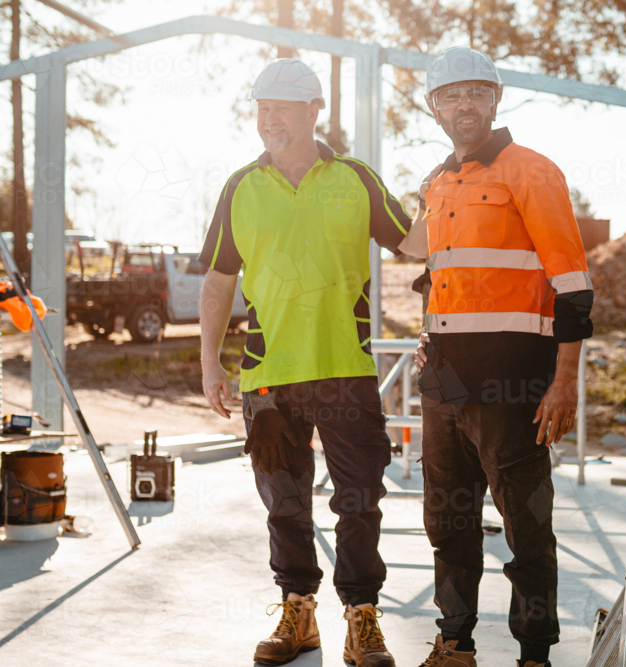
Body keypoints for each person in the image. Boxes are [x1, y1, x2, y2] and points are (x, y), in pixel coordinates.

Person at [199, 58, 423, 667]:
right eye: (261, 109)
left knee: (359, 496)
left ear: (313, 110)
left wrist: (452, 187)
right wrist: (210, 366)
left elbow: (418, 242)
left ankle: (361, 617)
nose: (269, 120)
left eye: (282, 108)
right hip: (267, 376)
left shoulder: (355, 178)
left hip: (345, 368)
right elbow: (219, 281)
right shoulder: (240, 186)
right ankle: (298, 613)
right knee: (285, 503)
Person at [410, 46, 594, 667]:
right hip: (444, 385)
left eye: (476, 93)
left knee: (526, 529)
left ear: (495, 100)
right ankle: (455, 642)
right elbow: (441, 274)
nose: (464, 105)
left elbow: (572, 287)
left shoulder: (532, 172)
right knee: (448, 522)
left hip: (514, 385)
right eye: (451, 95)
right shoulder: (436, 183)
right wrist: (428, 333)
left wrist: (564, 382)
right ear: (434, 107)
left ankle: (535, 654)